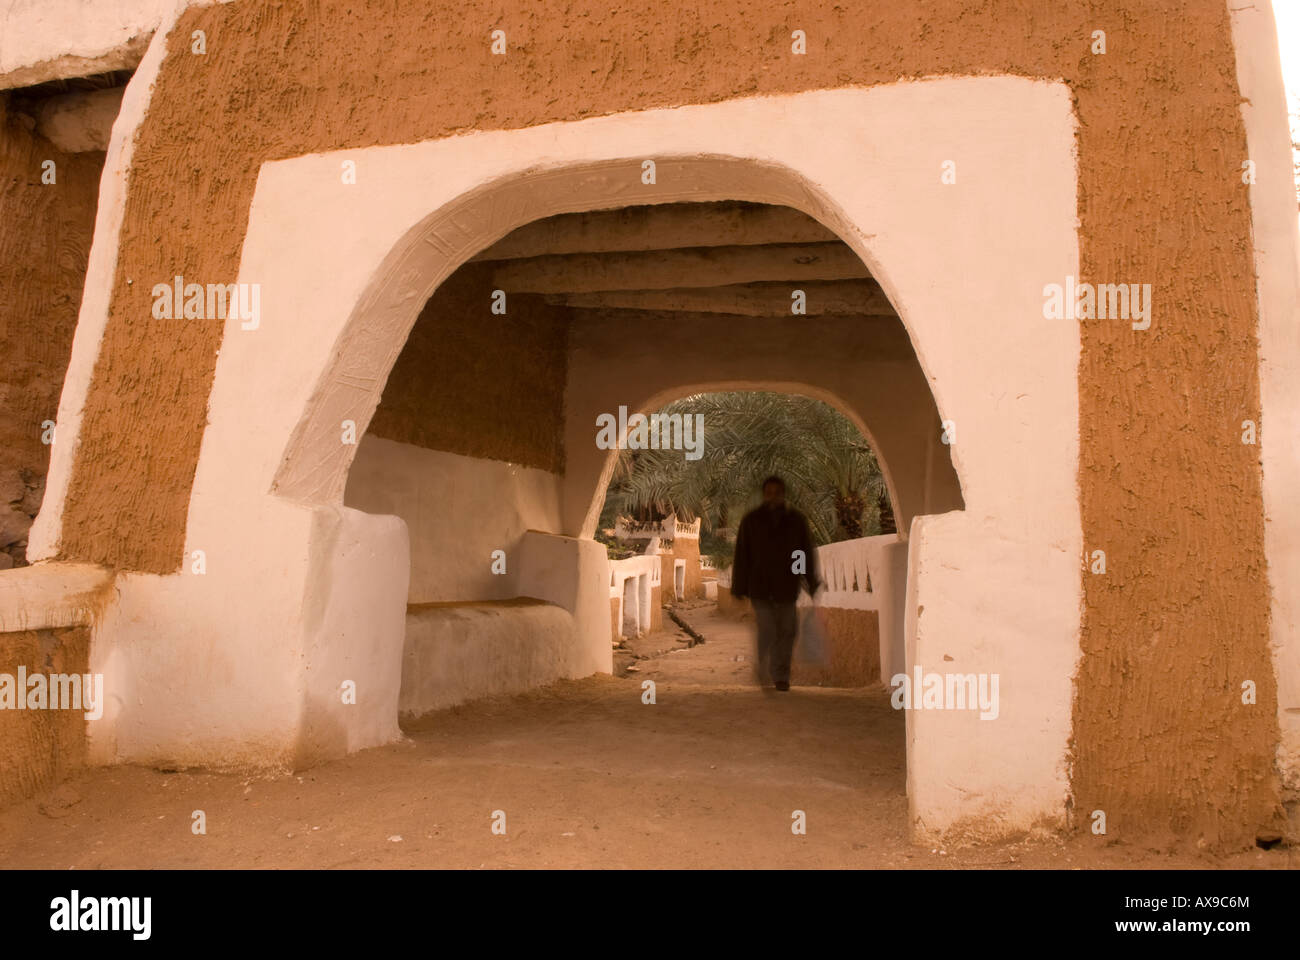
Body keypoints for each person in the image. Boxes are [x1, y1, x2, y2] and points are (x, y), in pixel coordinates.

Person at [729, 475, 823, 691]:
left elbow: (804, 552)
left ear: (783, 494)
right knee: (768, 629)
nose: (773, 497)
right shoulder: (751, 521)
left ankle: (781, 676)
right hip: (760, 588)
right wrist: (739, 587)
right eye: (769, 493)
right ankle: (763, 669)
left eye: (777, 493)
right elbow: (743, 555)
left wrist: (809, 580)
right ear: (764, 494)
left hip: (787, 587)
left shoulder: (796, 521)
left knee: (788, 630)